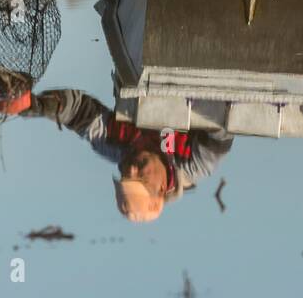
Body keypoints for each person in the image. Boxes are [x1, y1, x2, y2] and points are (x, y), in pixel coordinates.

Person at [21, 89, 233, 223]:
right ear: (161, 188)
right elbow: (223, 128)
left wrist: (38, 105)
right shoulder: (194, 163)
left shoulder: (111, 143)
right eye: (140, 178)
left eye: (125, 177)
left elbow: (78, 111)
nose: (131, 169)